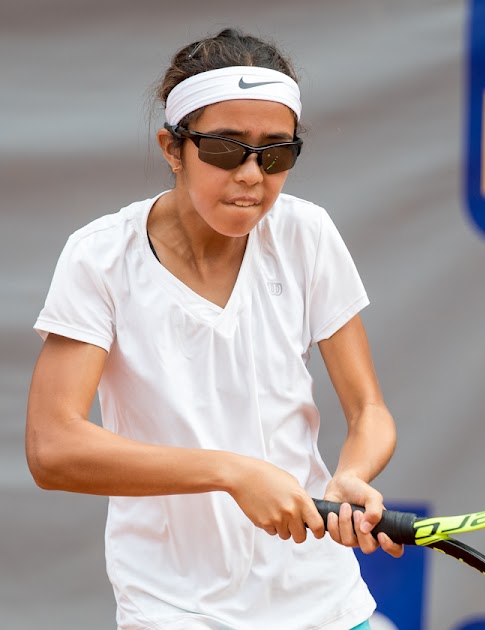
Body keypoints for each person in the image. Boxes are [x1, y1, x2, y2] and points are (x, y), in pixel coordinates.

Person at [25, 28, 401, 630]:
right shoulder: (98, 256)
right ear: (172, 148)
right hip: (175, 609)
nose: (252, 174)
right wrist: (232, 472)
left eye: (276, 153)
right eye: (226, 148)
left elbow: (370, 412)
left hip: (326, 602)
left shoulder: (308, 234)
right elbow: (53, 448)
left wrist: (349, 476)